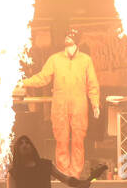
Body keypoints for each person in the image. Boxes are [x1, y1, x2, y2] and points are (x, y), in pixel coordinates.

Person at [18, 29, 100, 179]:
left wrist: (95, 104)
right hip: (60, 105)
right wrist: (24, 82)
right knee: (61, 140)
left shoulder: (85, 60)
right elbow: (43, 78)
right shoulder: (55, 59)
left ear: (77, 42)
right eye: (67, 41)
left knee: (78, 140)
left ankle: (75, 174)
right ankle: (63, 174)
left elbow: (92, 84)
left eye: (71, 41)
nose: (68, 44)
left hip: (79, 104)